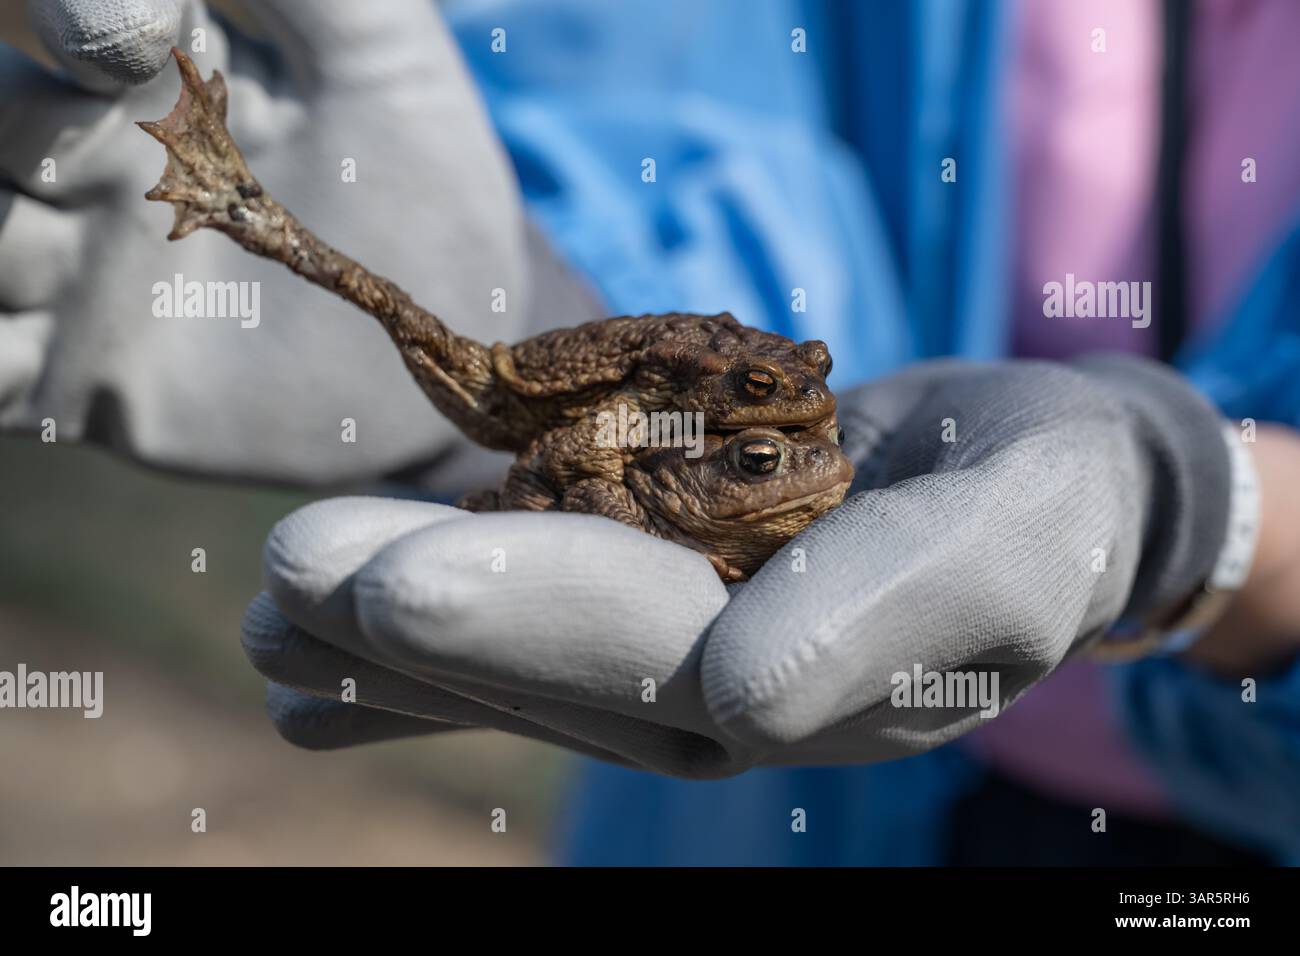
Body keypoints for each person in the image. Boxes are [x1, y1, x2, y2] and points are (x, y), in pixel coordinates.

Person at [4, 0, 1299, 865]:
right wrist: (550, 267)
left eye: (803, 418)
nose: (802, 448)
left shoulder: (766, 436)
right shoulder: (658, 430)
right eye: (757, 440)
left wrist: (1222, 521)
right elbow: (652, 84)